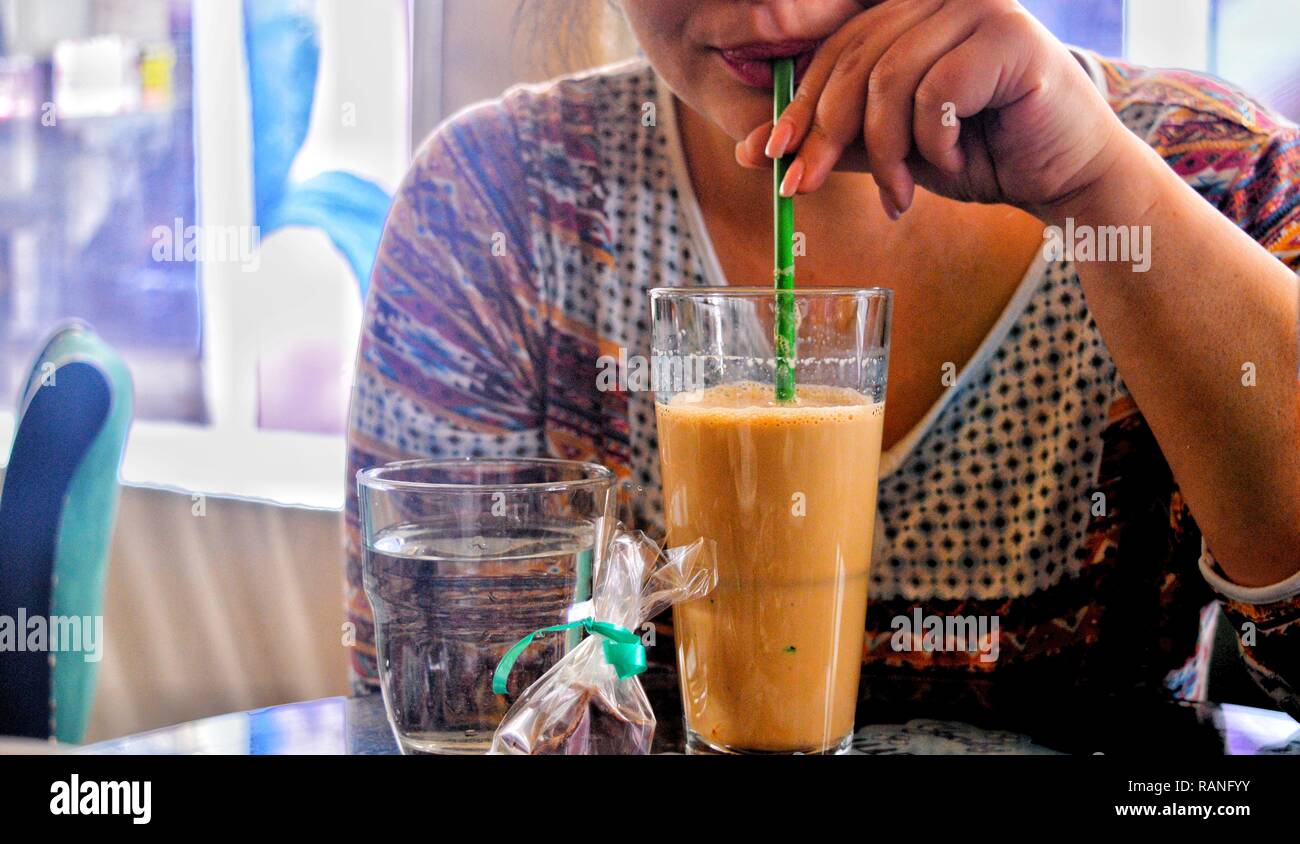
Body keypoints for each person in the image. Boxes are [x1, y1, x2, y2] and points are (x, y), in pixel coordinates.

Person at [344, 0, 1300, 736]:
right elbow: (456, 708)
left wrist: (1096, 185)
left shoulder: (1214, 179)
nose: (768, 9)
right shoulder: (495, 207)